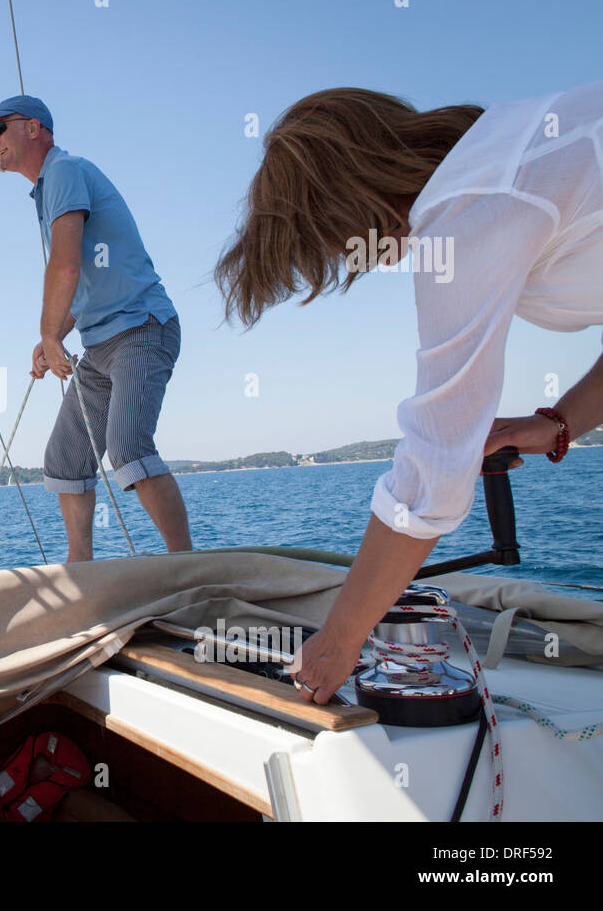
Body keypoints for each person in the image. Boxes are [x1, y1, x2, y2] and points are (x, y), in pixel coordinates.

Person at [214, 81, 603, 704]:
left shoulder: (466, 210)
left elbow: (431, 468)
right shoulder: (503, 150)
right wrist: (560, 424)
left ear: (349, 205)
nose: (353, 263)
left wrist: (340, 639)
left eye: (332, 245)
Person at [0, 95, 192, 561]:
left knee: (128, 447)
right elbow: (87, 282)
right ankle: (81, 570)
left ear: (34, 128)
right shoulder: (50, 187)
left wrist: (51, 336)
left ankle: (186, 566)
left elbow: (65, 266)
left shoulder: (65, 171)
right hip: (101, 342)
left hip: (141, 328)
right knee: (66, 458)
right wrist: (52, 335)